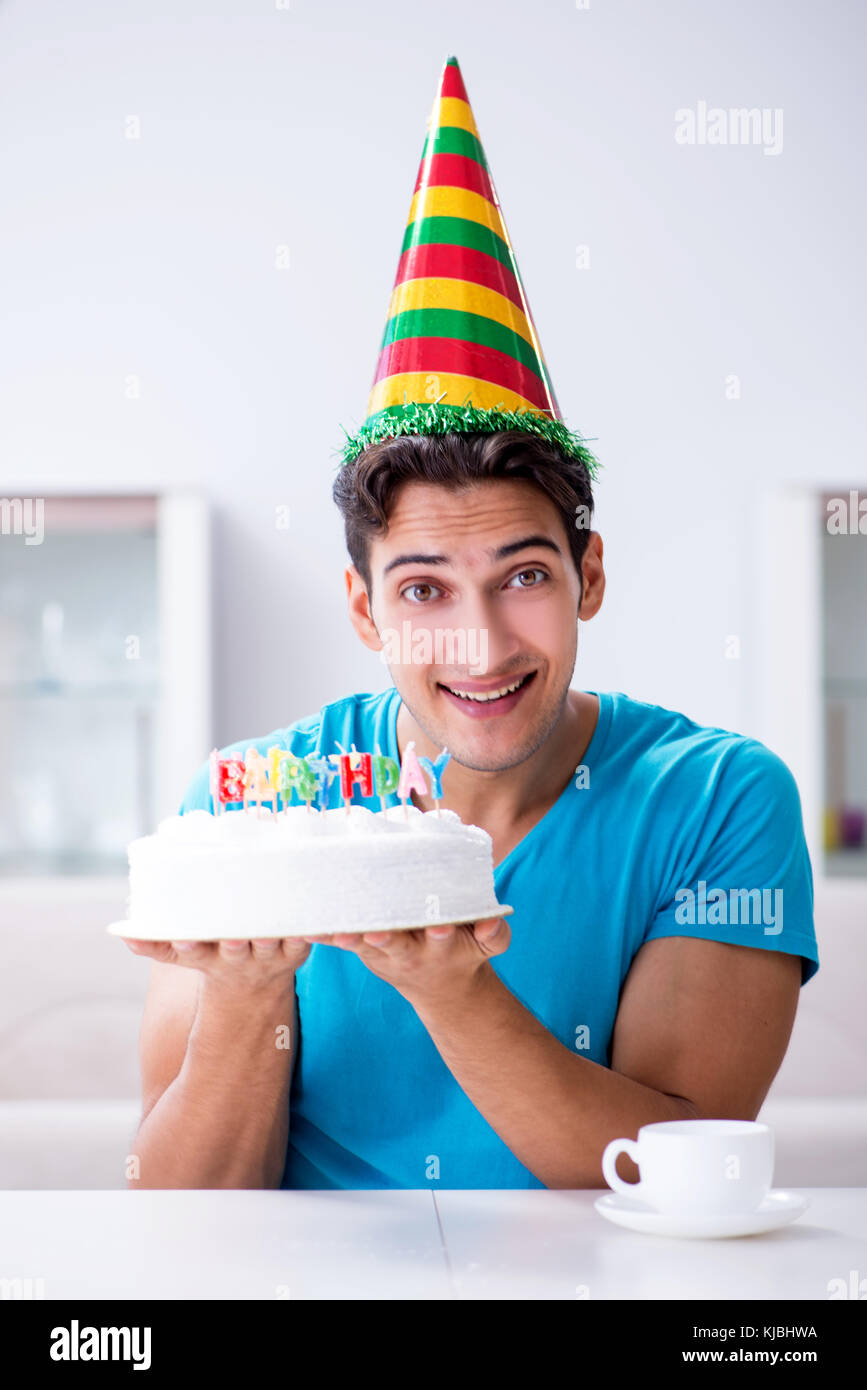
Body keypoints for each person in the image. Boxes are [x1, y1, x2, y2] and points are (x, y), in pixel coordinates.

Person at [123, 57, 818, 1192]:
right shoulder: (257, 810)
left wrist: (448, 981)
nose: (483, 645)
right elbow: (180, 1212)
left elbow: (675, 1173)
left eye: (525, 574)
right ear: (363, 607)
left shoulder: (718, 801)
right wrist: (250, 995)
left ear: (591, 574)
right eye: (424, 588)